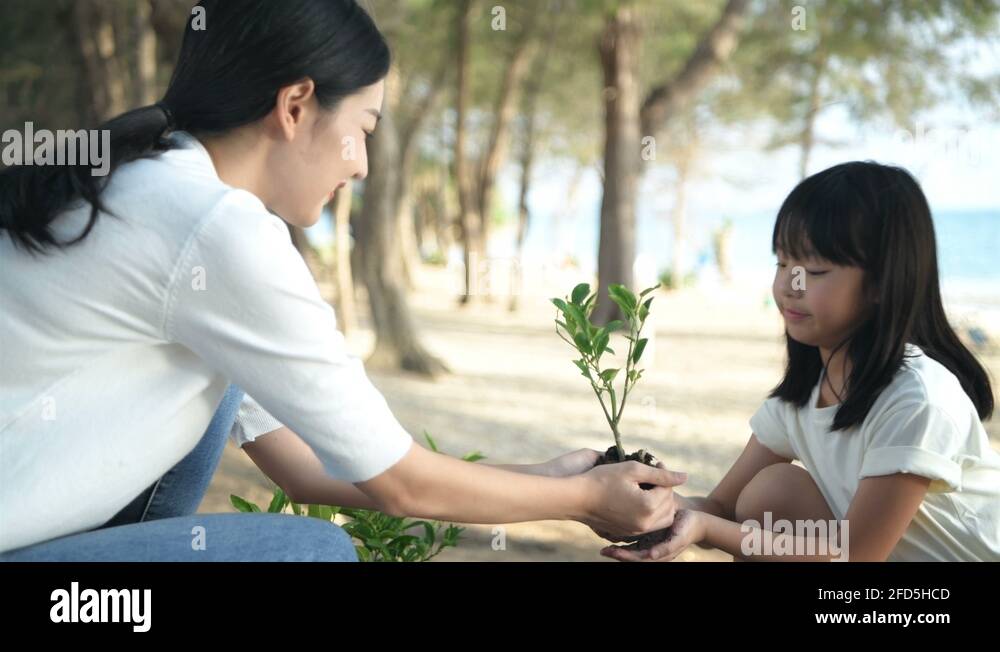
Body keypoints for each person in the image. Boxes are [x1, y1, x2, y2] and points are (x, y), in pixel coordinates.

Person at [0, 0, 684, 561]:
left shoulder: (154, 187)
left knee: (226, 381)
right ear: (296, 105)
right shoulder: (213, 229)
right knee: (307, 554)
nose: (361, 165)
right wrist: (586, 501)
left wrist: (551, 478)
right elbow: (399, 484)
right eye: (362, 128)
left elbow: (306, 464)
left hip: (39, 525)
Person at [602, 162, 1000, 562]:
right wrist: (641, 503)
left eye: (815, 269)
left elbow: (857, 556)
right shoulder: (805, 395)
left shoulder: (916, 400)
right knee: (771, 492)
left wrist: (708, 528)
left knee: (769, 498)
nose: (791, 285)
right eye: (782, 263)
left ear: (883, 282)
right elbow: (721, 507)